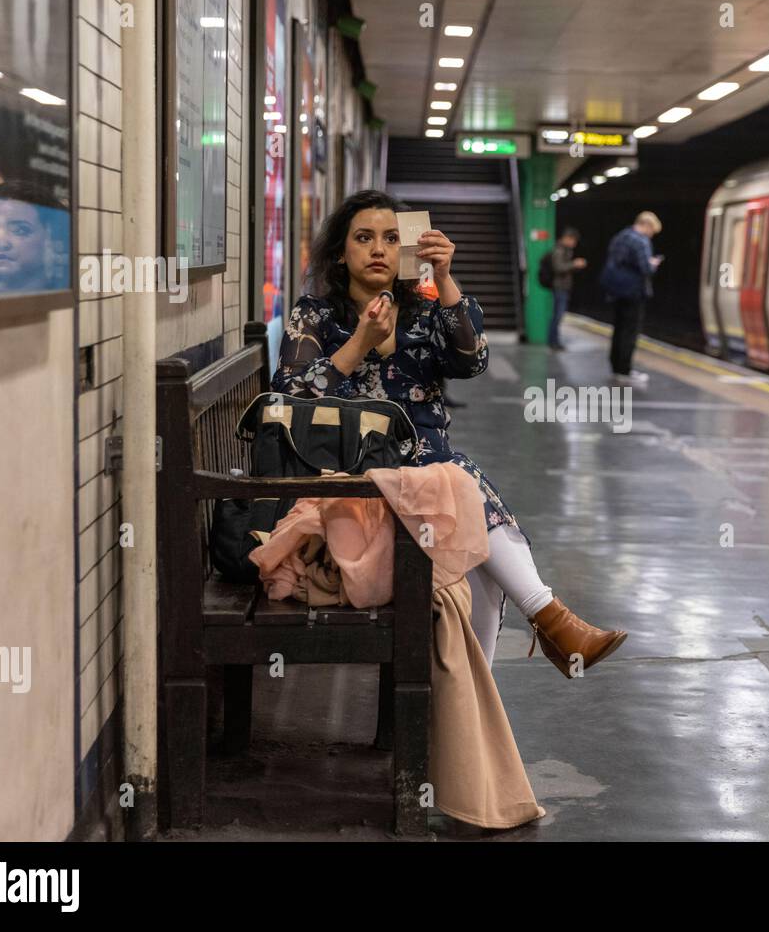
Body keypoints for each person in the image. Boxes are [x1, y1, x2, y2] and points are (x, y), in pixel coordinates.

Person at [272, 190, 627, 675]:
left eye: (392, 238)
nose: (379, 248)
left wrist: (443, 278)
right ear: (341, 252)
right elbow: (291, 397)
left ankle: (482, 684)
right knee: (462, 483)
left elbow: (472, 358)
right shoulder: (314, 314)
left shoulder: (421, 311)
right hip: (354, 485)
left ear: (408, 251)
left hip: (430, 486)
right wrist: (359, 344)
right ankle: (546, 622)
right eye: (364, 237)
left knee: (475, 538)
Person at [600, 211, 662, 384]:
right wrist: (653, 264)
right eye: (652, 231)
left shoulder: (620, 237)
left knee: (618, 329)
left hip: (616, 290)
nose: (651, 235)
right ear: (647, 225)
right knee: (630, 331)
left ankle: (615, 367)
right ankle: (625, 370)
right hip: (634, 291)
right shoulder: (641, 241)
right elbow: (646, 269)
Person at [547, 227, 586, 350]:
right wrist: (574, 264)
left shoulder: (565, 250)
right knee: (558, 315)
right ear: (567, 238)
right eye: (573, 241)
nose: (574, 244)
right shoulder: (559, 250)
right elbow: (558, 268)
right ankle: (554, 342)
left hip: (562, 287)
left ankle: (554, 341)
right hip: (559, 287)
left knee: (558, 315)